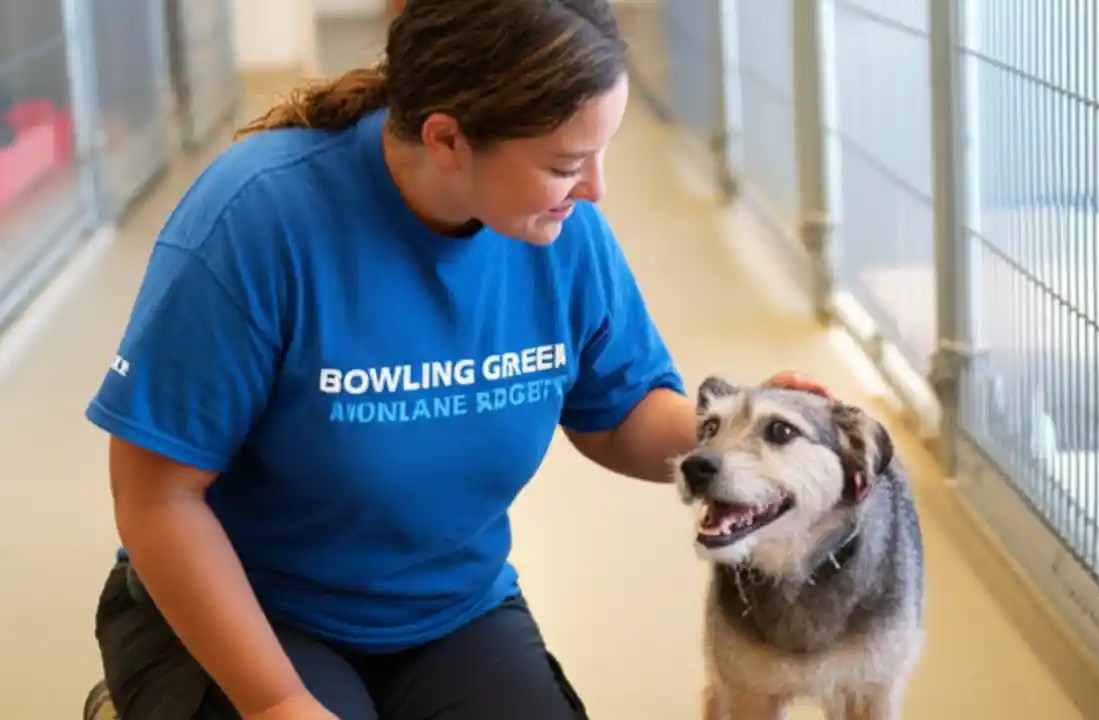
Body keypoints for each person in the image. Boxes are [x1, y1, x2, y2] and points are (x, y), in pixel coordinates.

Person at [84, 2, 833, 719]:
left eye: (601, 153)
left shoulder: (560, 229)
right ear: (446, 139)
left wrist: (743, 437)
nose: (596, 188)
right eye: (567, 162)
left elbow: (619, 414)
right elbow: (157, 500)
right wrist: (277, 705)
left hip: (448, 607)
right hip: (253, 606)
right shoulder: (258, 219)